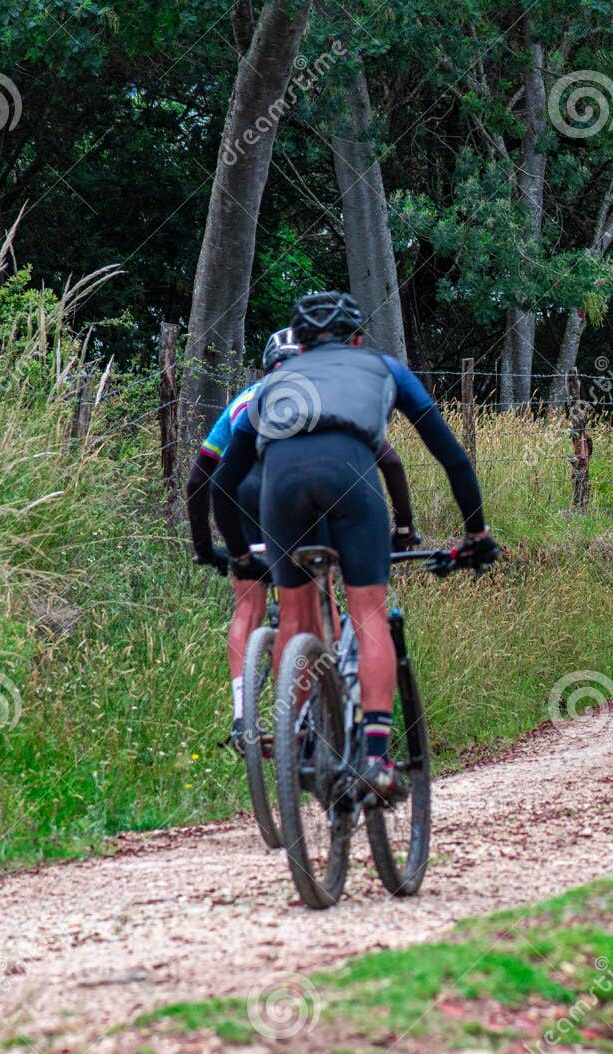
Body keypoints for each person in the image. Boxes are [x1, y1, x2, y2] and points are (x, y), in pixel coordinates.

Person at [212, 291, 498, 800]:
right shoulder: (384, 367)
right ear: (359, 338)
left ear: (298, 344)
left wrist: (237, 552)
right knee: (367, 614)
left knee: (296, 619)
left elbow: (220, 483)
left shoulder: (272, 384)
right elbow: (452, 458)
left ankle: (296, 733)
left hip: (281, 488)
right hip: (350, 476)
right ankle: (373, 756)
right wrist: (476, 534)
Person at [187, 328, 421, 747]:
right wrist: (404, 527)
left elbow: (200, 476)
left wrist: (204, 546)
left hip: (247, 493)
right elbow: (389, 459)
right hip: (311, 496)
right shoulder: (332, 398)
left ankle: (243, 716)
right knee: (322, 594)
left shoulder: (247, 399)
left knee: (247, 606)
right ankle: (310, 711)